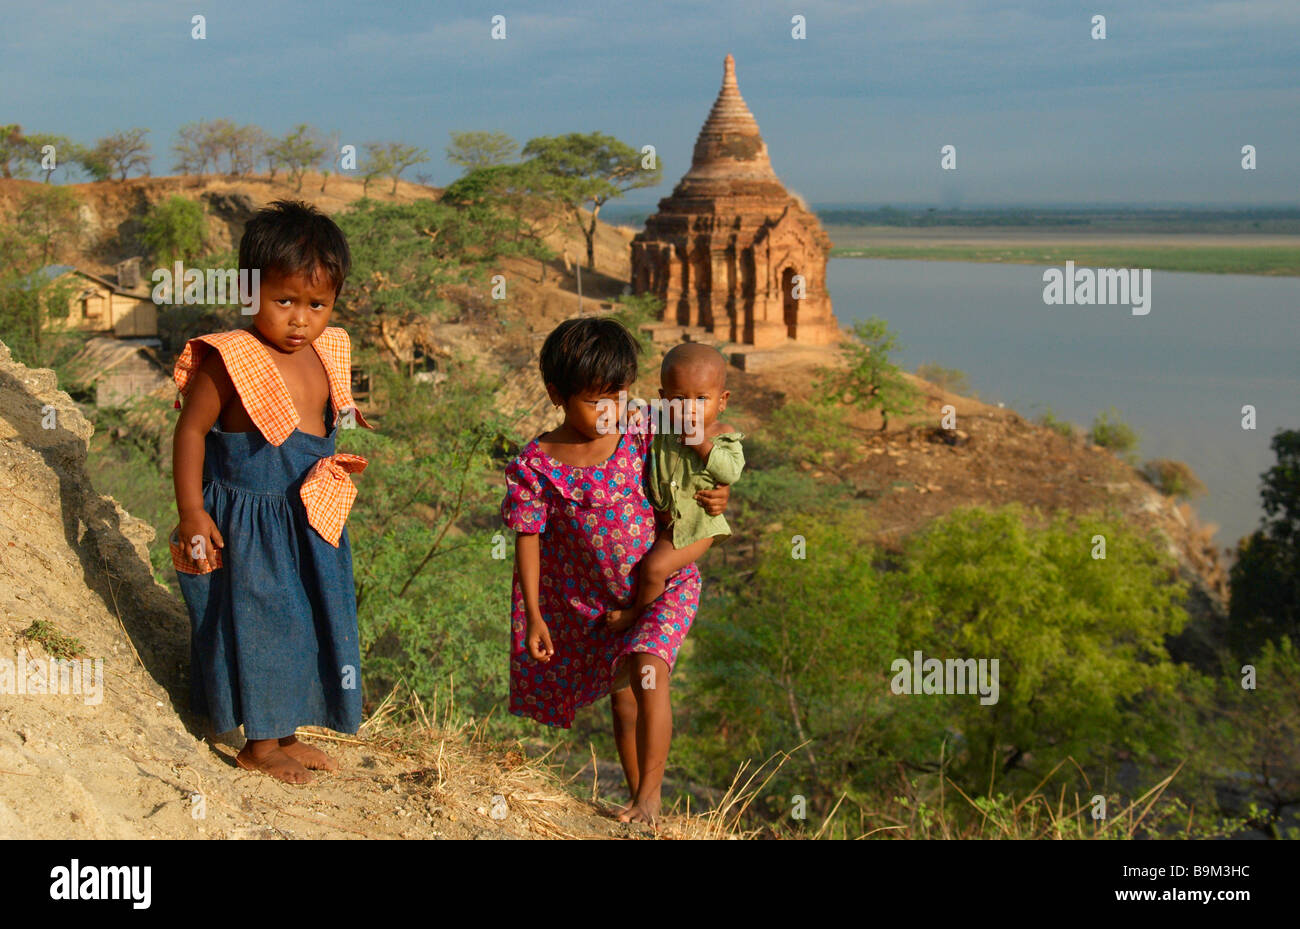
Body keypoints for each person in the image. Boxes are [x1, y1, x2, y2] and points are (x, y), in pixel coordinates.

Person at [170, 199, 372, 784]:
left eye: (317, 304)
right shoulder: (228, 359)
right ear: (247, 290)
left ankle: (286, 730)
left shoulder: (328, 352)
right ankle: (258, 744)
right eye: (284, 301)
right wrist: (192, 512)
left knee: (309, 619)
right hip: (249, 520)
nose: (300, 319)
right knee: (263, 623)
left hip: (308, 517)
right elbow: (190, 431)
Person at [501, 317, 731, 824]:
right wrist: (535, 615)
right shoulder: (536, 464)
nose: (610, 411)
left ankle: (650, 798)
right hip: (598, 604)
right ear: (556, 393)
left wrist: (721, 488)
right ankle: (637, 802)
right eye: (594, 399)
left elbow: (710, 440)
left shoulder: (644, 428)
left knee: (649, 671)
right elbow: (528, 537)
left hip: (666, 583)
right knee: (623, 702)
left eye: (619, 395)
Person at [604, 342, 744, 633]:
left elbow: (730, 471)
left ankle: (638, 619)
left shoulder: (721, 434)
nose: (689, 409)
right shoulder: (662, 424)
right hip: (666, 520)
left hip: (699, 523)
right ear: (664, 399)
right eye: (679, 399)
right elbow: (634, 414)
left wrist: (702, 445)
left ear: (722, 400)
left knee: (654, 568)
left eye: (702, 398)